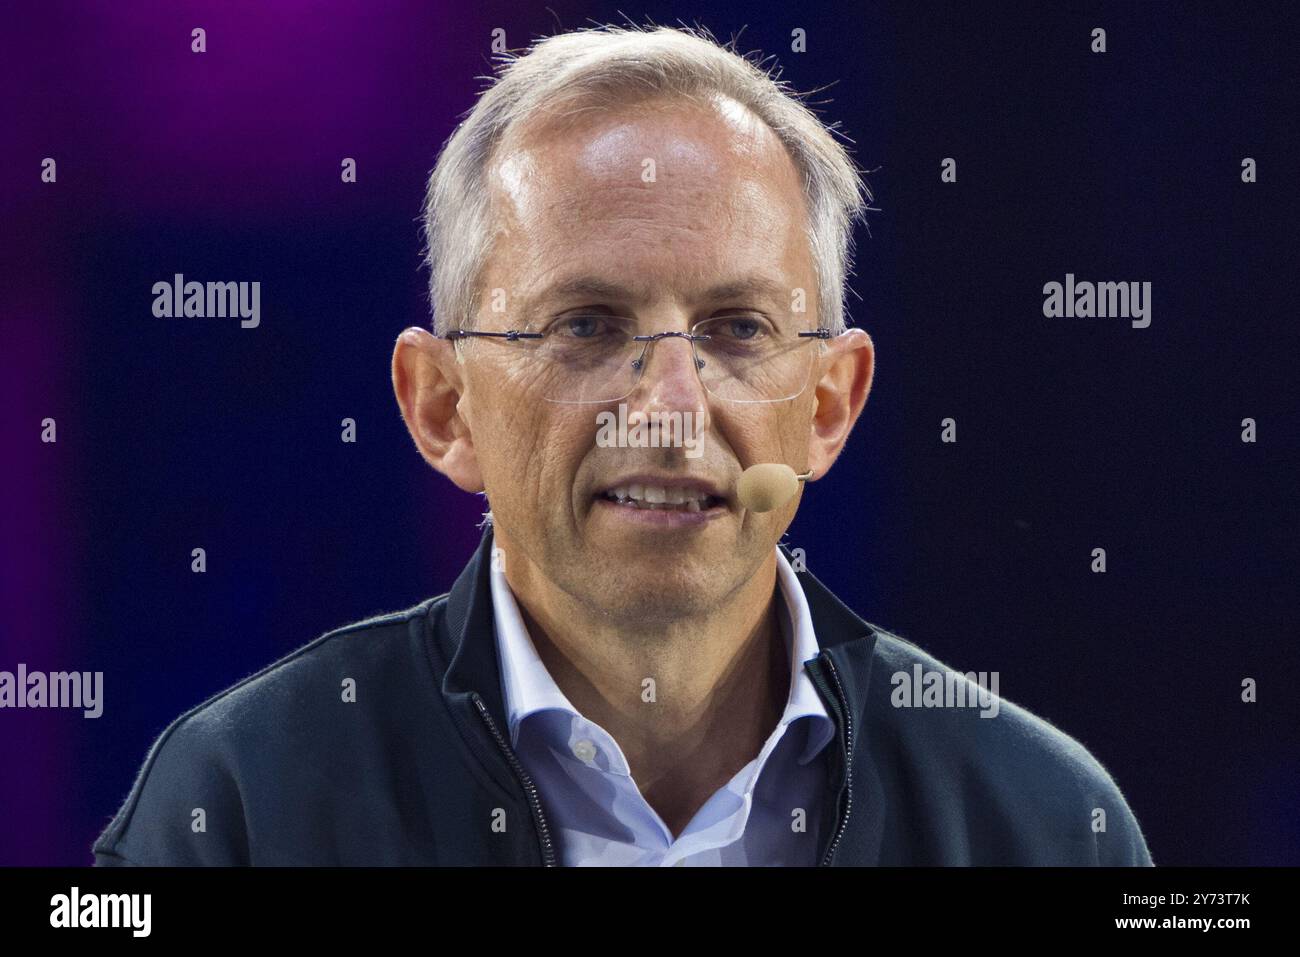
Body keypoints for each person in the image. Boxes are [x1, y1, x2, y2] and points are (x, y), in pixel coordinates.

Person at [94, 24, 1152, 866]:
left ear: (828, 406)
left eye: (738, 328)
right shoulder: (235, 805)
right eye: (587, 326)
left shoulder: (1043, 823)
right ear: (442, 407)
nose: (670, 406)